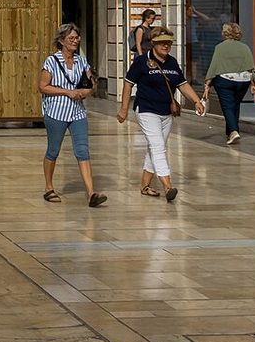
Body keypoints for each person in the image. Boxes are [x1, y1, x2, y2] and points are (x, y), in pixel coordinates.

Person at [117, 27, 205, 201]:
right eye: (162, 43)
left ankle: (145, 185)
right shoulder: (141, 62)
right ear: (153, 43)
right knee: (158, 146)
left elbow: (182, 84)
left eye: (168, 43)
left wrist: (196, 101)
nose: (166, 46)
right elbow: (128, 84)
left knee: (155, 147)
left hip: (166, 112)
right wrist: (124, 109)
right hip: (146, 110)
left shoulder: (172, 62)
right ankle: (167, 186)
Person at [39, 22, 105, 207]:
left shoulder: (81, 61)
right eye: (71, 38)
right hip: (56, 111)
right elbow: (43, 86)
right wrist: (67, 92)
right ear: (62, 41)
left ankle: (90, 193)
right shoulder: (51, 61)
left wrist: (85, 92)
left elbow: (90, 84)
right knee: (53, 150)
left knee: (83, 150)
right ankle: (48, 187)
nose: (75, 41)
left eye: (77, 38)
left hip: (77, 112)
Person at [201, 21, 255, 143]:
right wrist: (252, 84)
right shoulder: (245, 47)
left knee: (227, 106)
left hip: (225, 80)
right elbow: (250, 66)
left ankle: (233, 131)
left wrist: (208, 83)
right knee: (235, 105)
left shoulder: (220, 47)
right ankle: (230, 132)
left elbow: (214, 66)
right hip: (243, 81)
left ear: (225, 33)